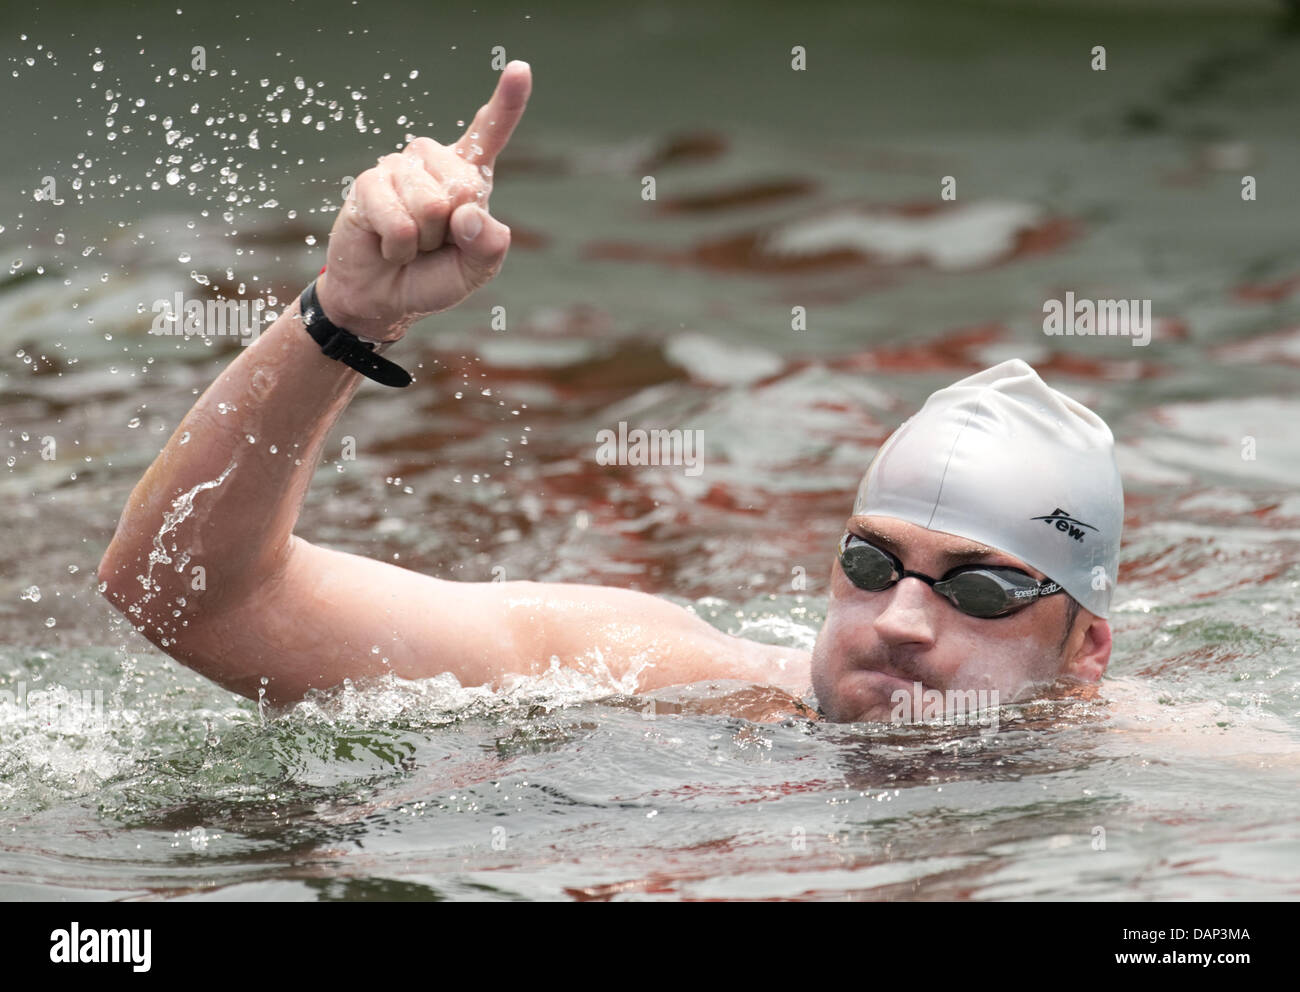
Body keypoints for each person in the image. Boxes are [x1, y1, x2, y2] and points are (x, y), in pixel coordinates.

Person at [96, 61, 1119, 725]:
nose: (898, 617)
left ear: (1085, 650)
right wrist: (342, 318)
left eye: (977, 586)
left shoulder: (1178, 771)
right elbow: (187, 595)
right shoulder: (655, 679)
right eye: (869, 560)